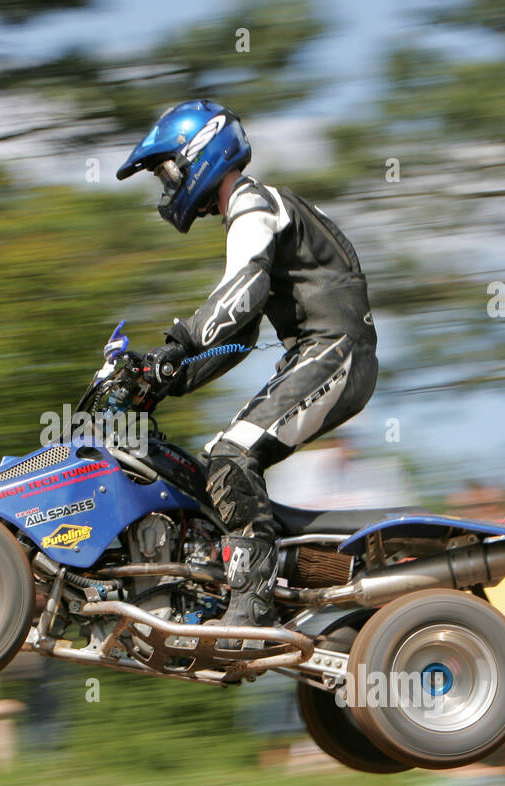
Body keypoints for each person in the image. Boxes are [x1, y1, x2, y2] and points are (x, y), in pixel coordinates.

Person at [116, 99, 379, 628]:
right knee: (209, 465)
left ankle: (252, 604)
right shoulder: (256, 209)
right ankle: (266, 582)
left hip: (334, 353)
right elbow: (240, 336)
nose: (168, 186)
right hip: (315, 355)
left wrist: (178, 342)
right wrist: (169, 378)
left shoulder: (253, 201)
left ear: (202, 153)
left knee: (232, 457)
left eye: (169, 170)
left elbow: (242, 290)